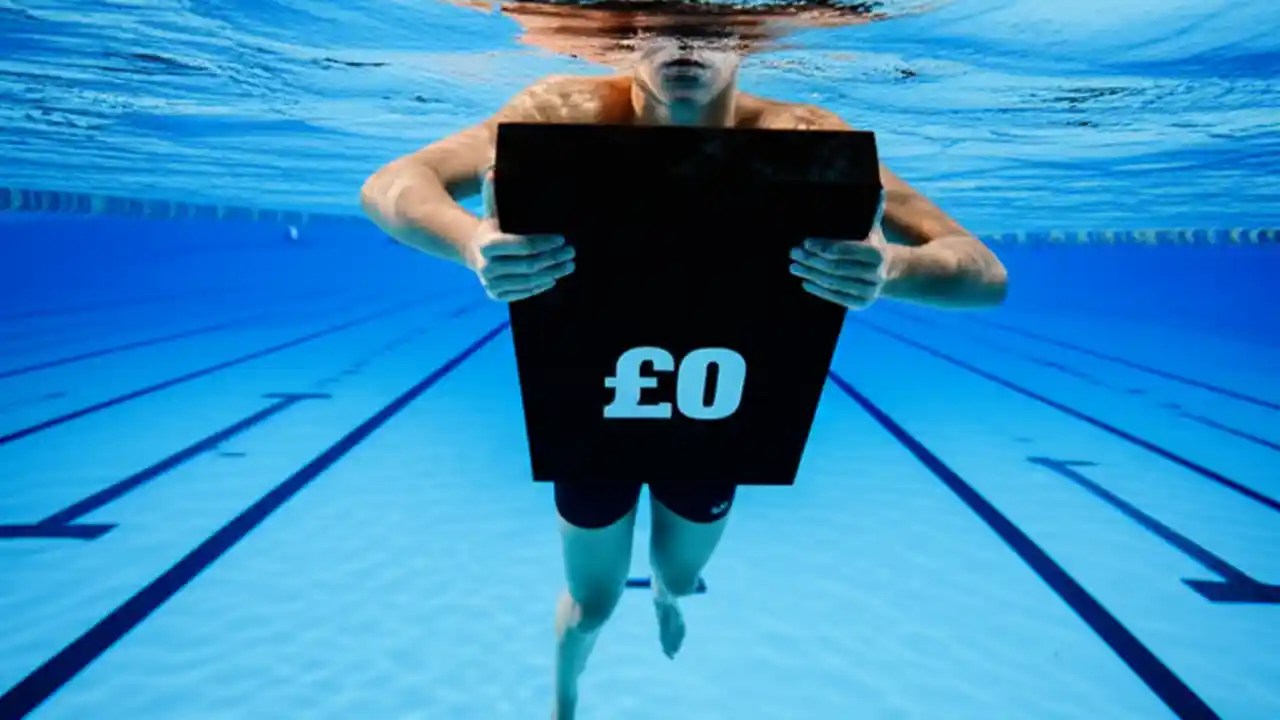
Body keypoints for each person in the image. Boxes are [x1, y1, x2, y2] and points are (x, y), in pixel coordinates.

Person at [360, 23, 1008, 720]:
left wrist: (896, 268)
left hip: (719, 413)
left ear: (744, 39)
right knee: (593, 601)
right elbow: (390, 185)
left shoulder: (800, 135)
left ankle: (669, 598)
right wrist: (469, 242)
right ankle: (564, 700)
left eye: (710, 24)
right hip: (590, 406)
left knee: (678, 570)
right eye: (655, 25)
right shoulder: (564, 112)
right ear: (625, 38)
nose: (683, 39)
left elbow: (985, 274)